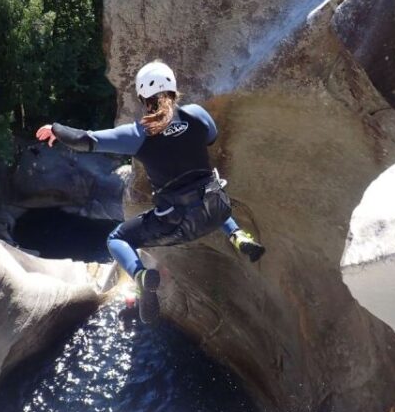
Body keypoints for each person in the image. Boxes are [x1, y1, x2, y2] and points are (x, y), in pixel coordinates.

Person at [35, 60, 264, 324]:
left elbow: (87, 140)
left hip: (175, 222)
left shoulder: (138, 133)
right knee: (207, 191)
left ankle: (142, 276)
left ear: (143, 98)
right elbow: (211, 136)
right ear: (174, 89)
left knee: (116, 238)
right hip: (216, 208)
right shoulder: (196, 114)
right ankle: (237, 235)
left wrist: (56, 129)